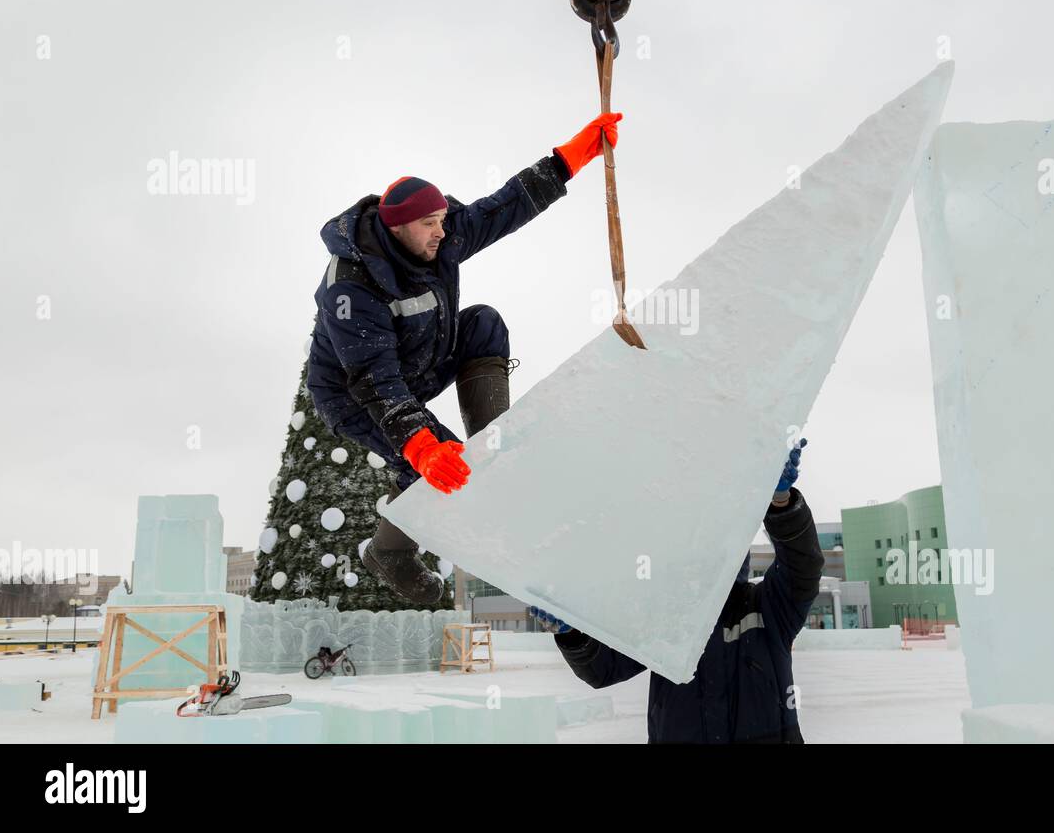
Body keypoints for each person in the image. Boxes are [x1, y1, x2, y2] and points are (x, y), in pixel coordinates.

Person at [305, 112, 624, 604]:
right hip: (355, 393)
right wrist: (421, 445)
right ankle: (387, 549)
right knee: (439, 466)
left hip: (418, 361)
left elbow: (505, 207)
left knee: (483, 321)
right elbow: (374, 378)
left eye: (441, 221)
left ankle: (491, 442)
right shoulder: (351, 285)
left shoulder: (443, 236)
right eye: (429, 224)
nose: (440, 231)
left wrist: (572, 157)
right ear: (398, 228)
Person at [531, 439, 823, 743]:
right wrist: (572, 634)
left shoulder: (767, 608)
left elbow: (804, 565)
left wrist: (780, 502)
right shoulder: (667, 620)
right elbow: (602, 669)